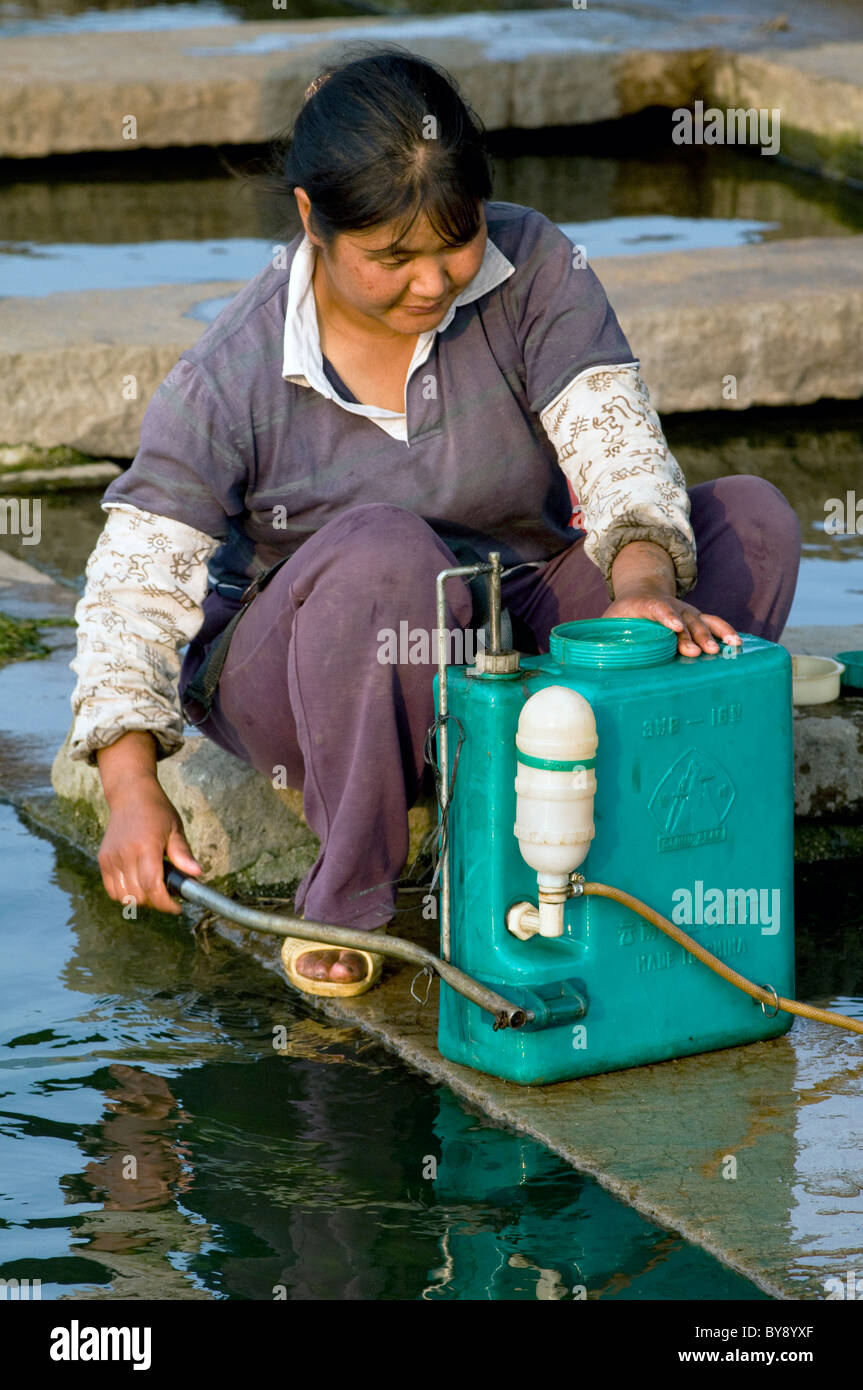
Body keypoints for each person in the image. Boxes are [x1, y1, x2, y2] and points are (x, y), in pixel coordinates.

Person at [67, 45, 801, 998]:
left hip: (508, 628)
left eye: (451, 244)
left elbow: (612, 441)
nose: (428, 283)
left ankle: (606, 811)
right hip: (320, 672)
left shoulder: (534, 263)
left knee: (754, 521)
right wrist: (131, 789)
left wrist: (642, 585)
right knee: (385, 553)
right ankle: (352, 896)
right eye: (389, 258)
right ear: (311, 222)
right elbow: (134, 588)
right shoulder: (230, 373)